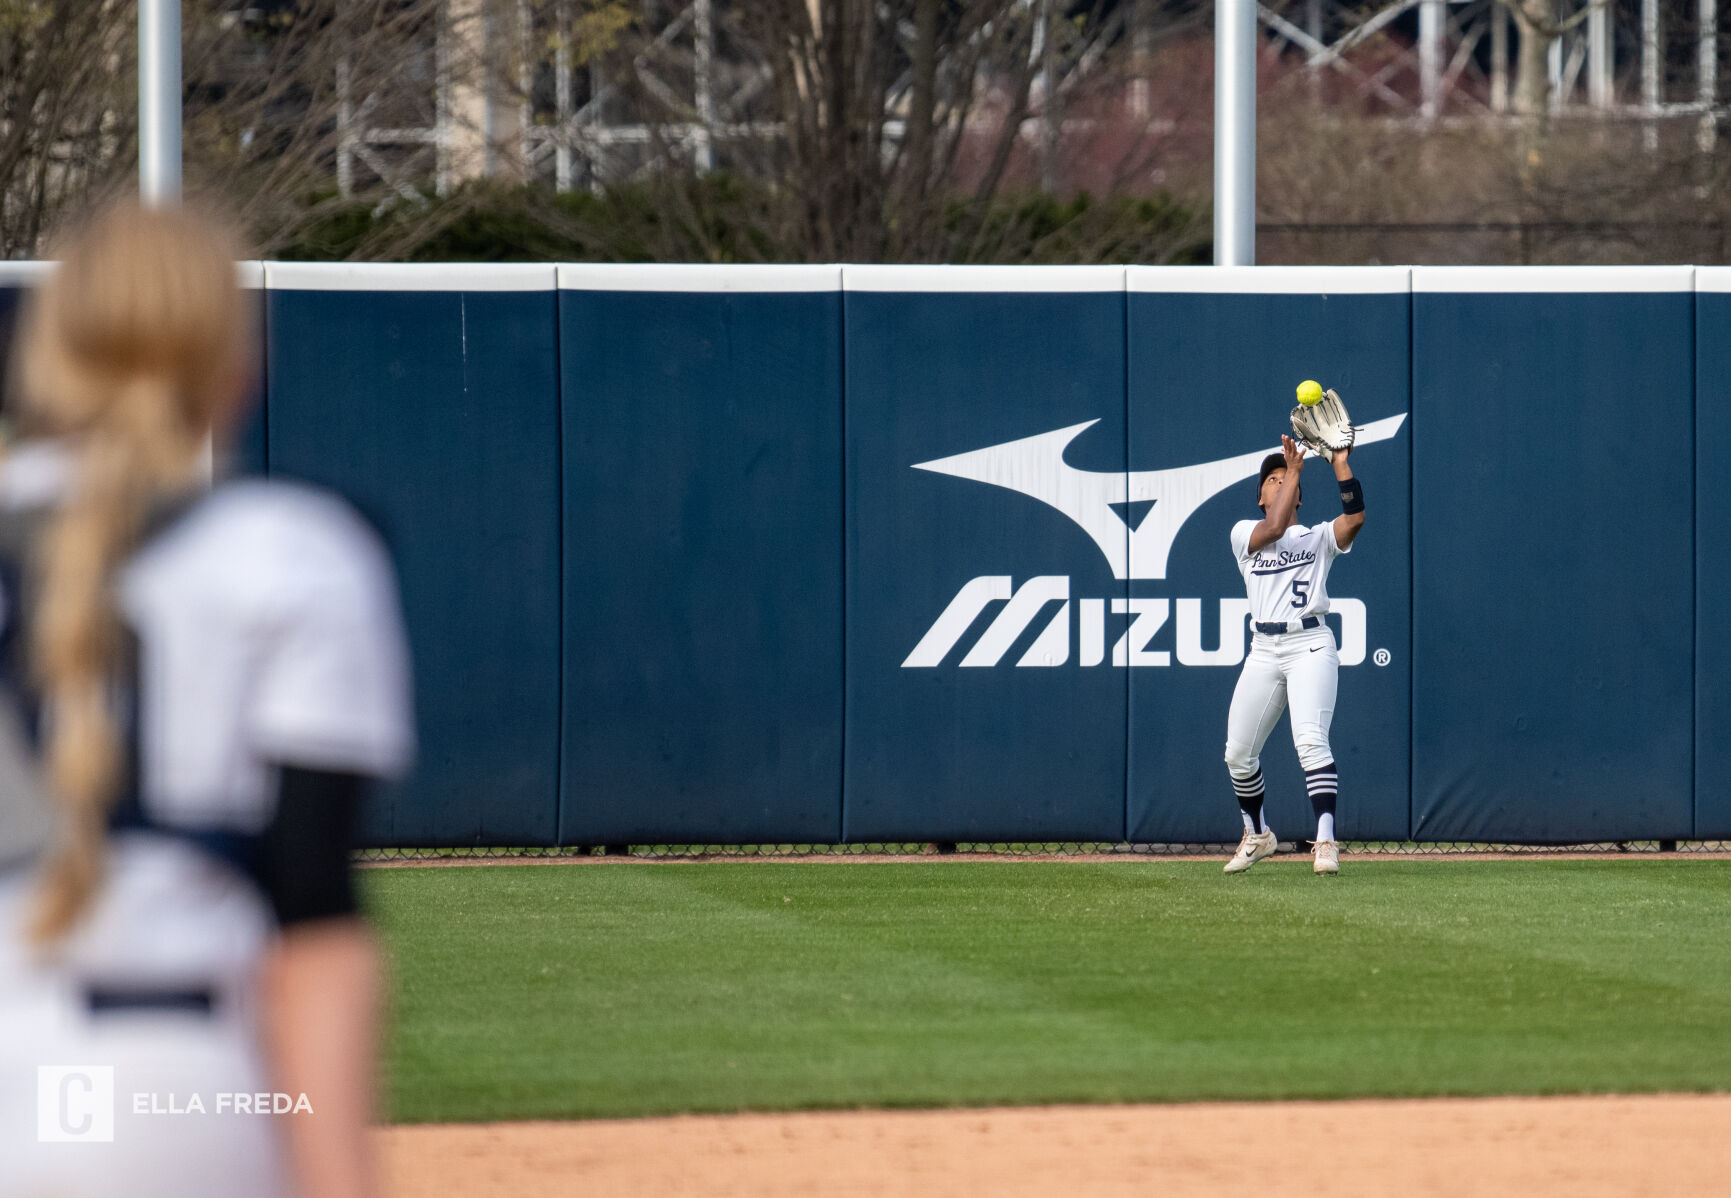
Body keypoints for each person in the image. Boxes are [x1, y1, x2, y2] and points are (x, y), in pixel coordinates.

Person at [0, 200, 412, 1197]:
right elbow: (313, 920)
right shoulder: (301, 552)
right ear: (236, 369)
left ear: (43, 356)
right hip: (183, 1094)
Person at [1220, 433, 1365, 876]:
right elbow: (1274, 528)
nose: (1280, 481)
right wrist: (1296, 468)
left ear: (1299, 496)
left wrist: (1339, 464)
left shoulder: (1317, 537)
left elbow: (1355, 518)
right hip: (1263, 649)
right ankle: (1258, 834)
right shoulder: (1244, 534)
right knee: (1237, 754)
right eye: (1272, 479)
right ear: (1260, 497)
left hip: (1309, 645)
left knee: (1310, 740)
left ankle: (1326, 840)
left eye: (1287, 478)